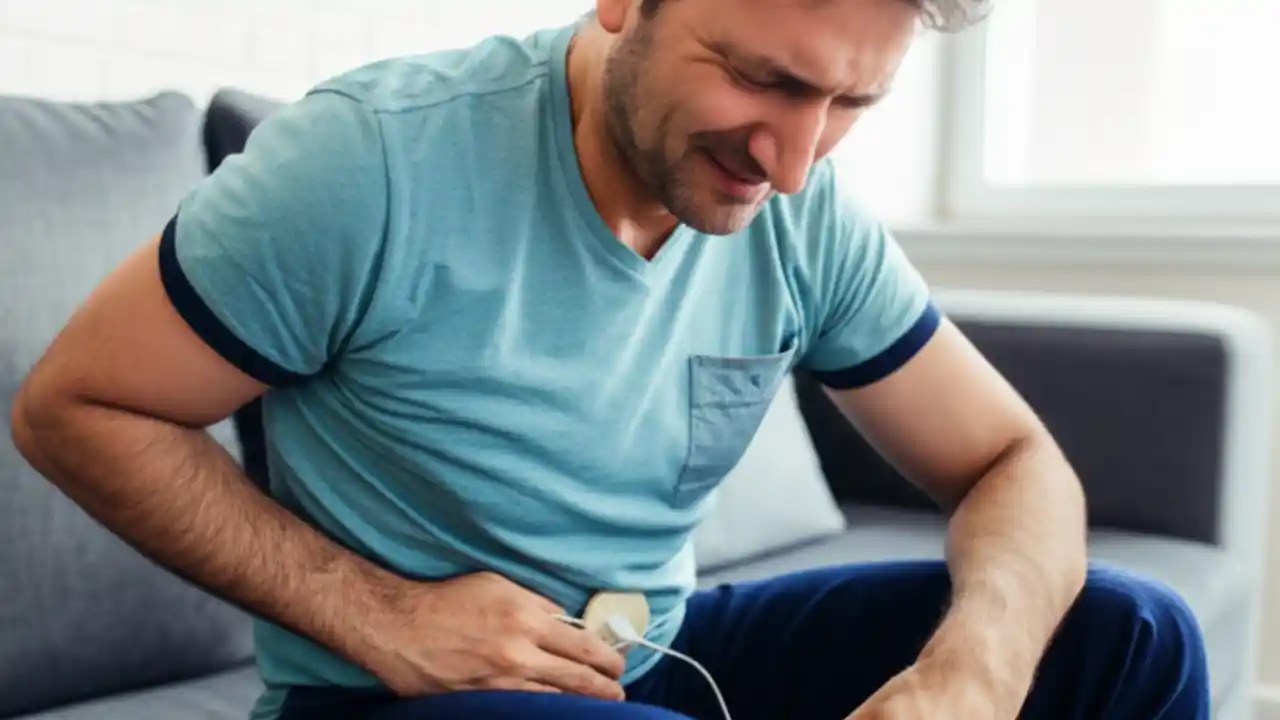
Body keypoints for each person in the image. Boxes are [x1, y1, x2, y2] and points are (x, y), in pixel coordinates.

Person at [10, 0, 1209, 718]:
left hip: (653, 657)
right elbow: (77, 405)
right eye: (762, 78)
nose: (790, 161)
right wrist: (375, 613)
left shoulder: (803, 207)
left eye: (847, 105)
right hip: (396, 696)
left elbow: (1011, 458)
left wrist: (976, 674)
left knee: (1128, 633)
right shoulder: (369, 164)